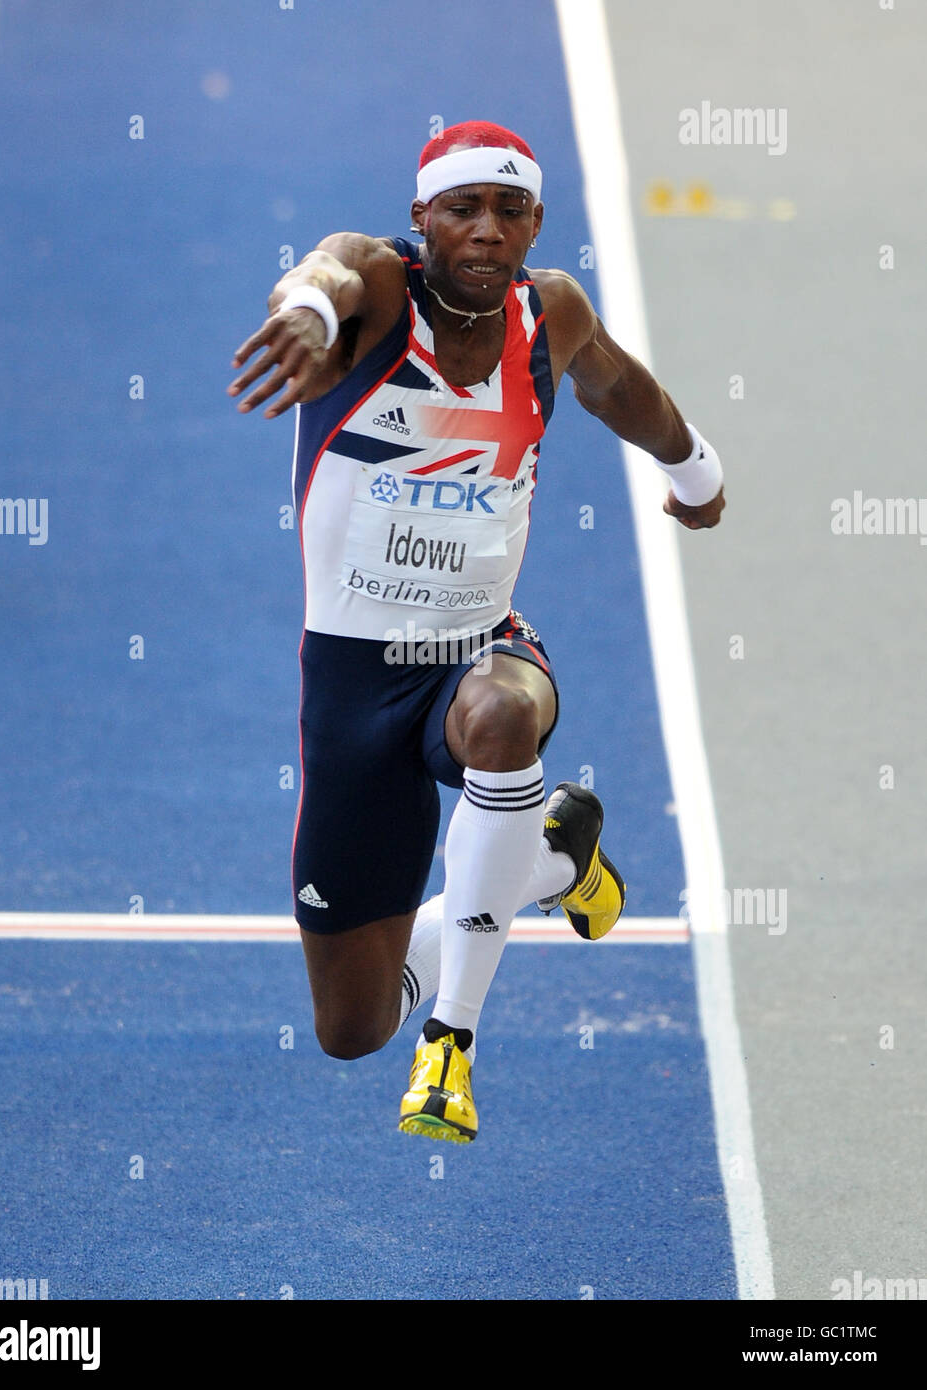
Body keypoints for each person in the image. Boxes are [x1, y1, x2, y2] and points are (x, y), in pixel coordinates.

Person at [228, 120, 725, 1143]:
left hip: (476, 648)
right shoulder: (373, 298)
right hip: (354, 686)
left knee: (505, 715)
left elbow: (619, 387)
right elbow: (321, 273)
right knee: (350, 1027)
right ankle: (553, 856)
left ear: (536, 224)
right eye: (463, 210)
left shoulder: (552, 318)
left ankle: (452, 1039)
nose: (487, 232)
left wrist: (696, 468)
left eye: (510, 212)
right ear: (424, 221)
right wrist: (312, 314)